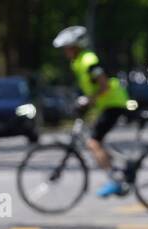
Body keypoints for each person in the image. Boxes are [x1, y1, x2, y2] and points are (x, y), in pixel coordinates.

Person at [52, 26, 130, 197]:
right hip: (108, 104)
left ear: (75, 47)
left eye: (67, 48)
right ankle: (122, 168)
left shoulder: (88, 61)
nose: (65, 53)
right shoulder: (80, 61)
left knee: (93, 143)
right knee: (97, 141)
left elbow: (104, 85)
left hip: (113, 102)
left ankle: (115, 181)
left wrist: (88, 101)